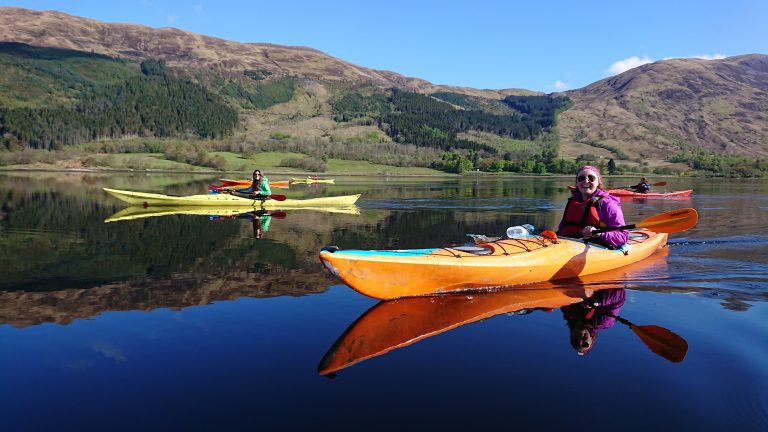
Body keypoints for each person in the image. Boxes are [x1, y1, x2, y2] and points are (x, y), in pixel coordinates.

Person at [557, 165, 628, 248]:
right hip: (568, 245)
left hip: (598, 248)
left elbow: (623, 237)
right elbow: (561, 231)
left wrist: (600, 234)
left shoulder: (608, 204)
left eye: (591, 178)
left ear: (598, 182)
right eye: (581, 178)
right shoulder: (572, 202)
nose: (586, 181)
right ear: (577, 182)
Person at [561, 288, 626, 355]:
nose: (580, 341)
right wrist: (597, 302)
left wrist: (550, 304)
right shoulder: (604, 322)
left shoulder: (569, 314)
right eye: (585, 344)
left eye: (575, 342)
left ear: (571, 337)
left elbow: (561, 299)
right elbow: (620, 296)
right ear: (591, 339)